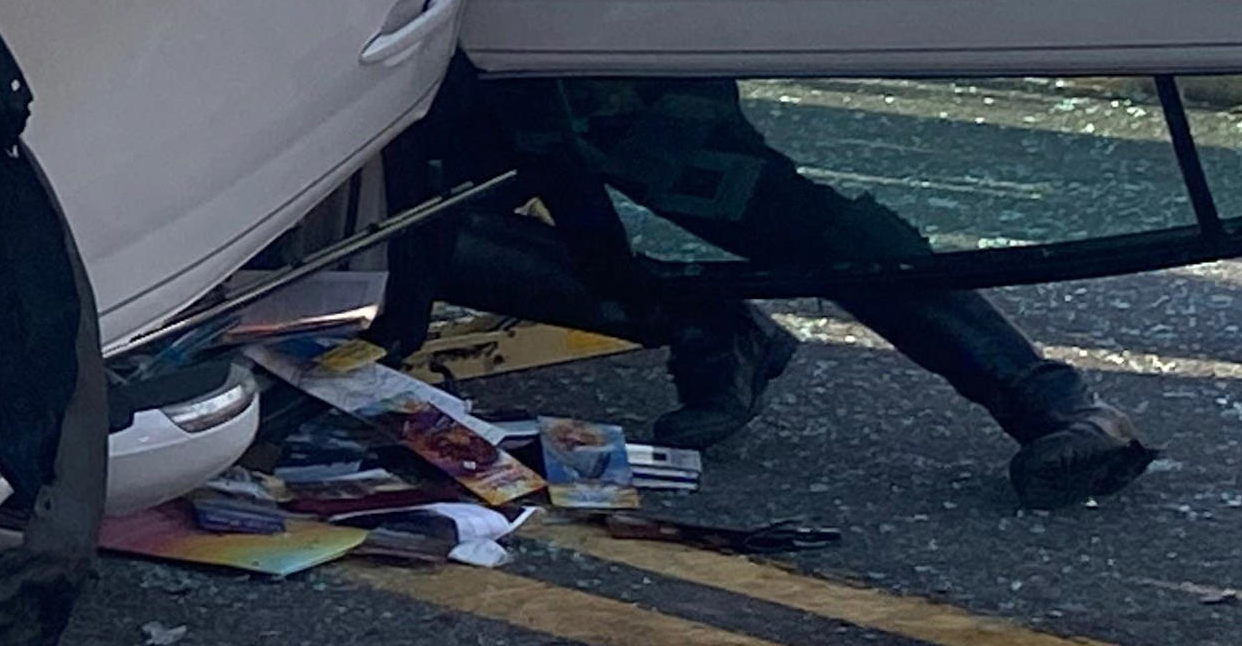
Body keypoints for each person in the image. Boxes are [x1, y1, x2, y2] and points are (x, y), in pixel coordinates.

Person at [397, 72, 1154, 512]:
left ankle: (1049, 401)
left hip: (590, 17)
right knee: (409, 226)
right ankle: (704, 322)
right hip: (437, 28)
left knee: (757, 205)